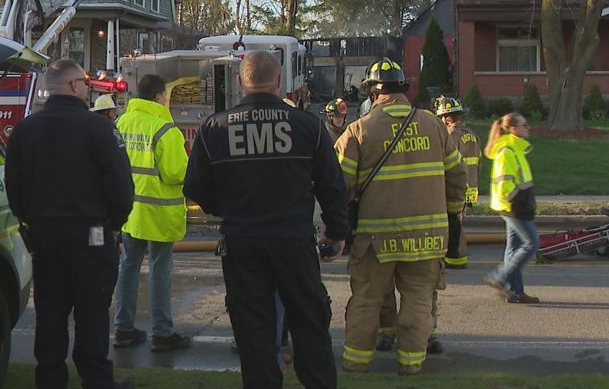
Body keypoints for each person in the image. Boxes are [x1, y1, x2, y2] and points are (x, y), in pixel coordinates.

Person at [184, 51, 348, 389]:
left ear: (241, 82)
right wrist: (336, 231)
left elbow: (196, 188)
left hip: (242, 244)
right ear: (278, 82)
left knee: (254, 332)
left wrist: (227, 207)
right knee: (310, 324)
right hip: (294, 242)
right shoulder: (308, 126)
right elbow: (333, 186)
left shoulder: (214, 128)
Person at [5, 59, 134, 389]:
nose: (89, 87)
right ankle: (96, 380)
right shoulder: (99, 129)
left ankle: (49, 379)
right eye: (86, 82)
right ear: (74, 86)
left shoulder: (25, 130)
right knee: (91, 314)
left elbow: (13, 186)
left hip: (44, 237)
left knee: (50, 313)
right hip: (91, 235)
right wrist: (115, 224)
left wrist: (30, 220)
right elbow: (120, 185)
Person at [335, 58, 466, 376]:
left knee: (366, 300)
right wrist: (452, 214)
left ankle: (356, 364)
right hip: (428, 237)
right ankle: (410, 365)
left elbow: (339, 186)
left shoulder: (358, 130)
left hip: (375, 240)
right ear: (402, 89)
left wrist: (338, 225)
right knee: (419, 299)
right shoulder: (434, 125)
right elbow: (458, 175)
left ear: (372, 92)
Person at [113, 74, 192, 352]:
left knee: (128, 267)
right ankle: (162, 332)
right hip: (159, 212)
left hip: (129, 211)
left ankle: (123, 328)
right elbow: (176, 173)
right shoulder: (166, 130)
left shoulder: (122, 122)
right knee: (160, 270)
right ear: (160, 97)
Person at [482, 112, 539, 304]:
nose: (528, 127)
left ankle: (516, 293)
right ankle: (500, 278)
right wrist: (517, 201)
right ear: (513, 129)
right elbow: (504, 183)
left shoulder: (515, 148)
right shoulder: (507, 150)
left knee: (513, 247)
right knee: (532, 244)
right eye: (524, 125)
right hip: (513, 207)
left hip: (515, 205)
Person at [435, 95, 480, 269]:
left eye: (441, 118)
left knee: (454, 223)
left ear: (447, 118)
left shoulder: (450, 136)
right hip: (471, 187)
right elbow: (479, 162)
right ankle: (456, 255)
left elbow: (447, 163)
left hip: (456, 186)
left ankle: (456, 257)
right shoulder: (473, 135)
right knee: (459, 221)